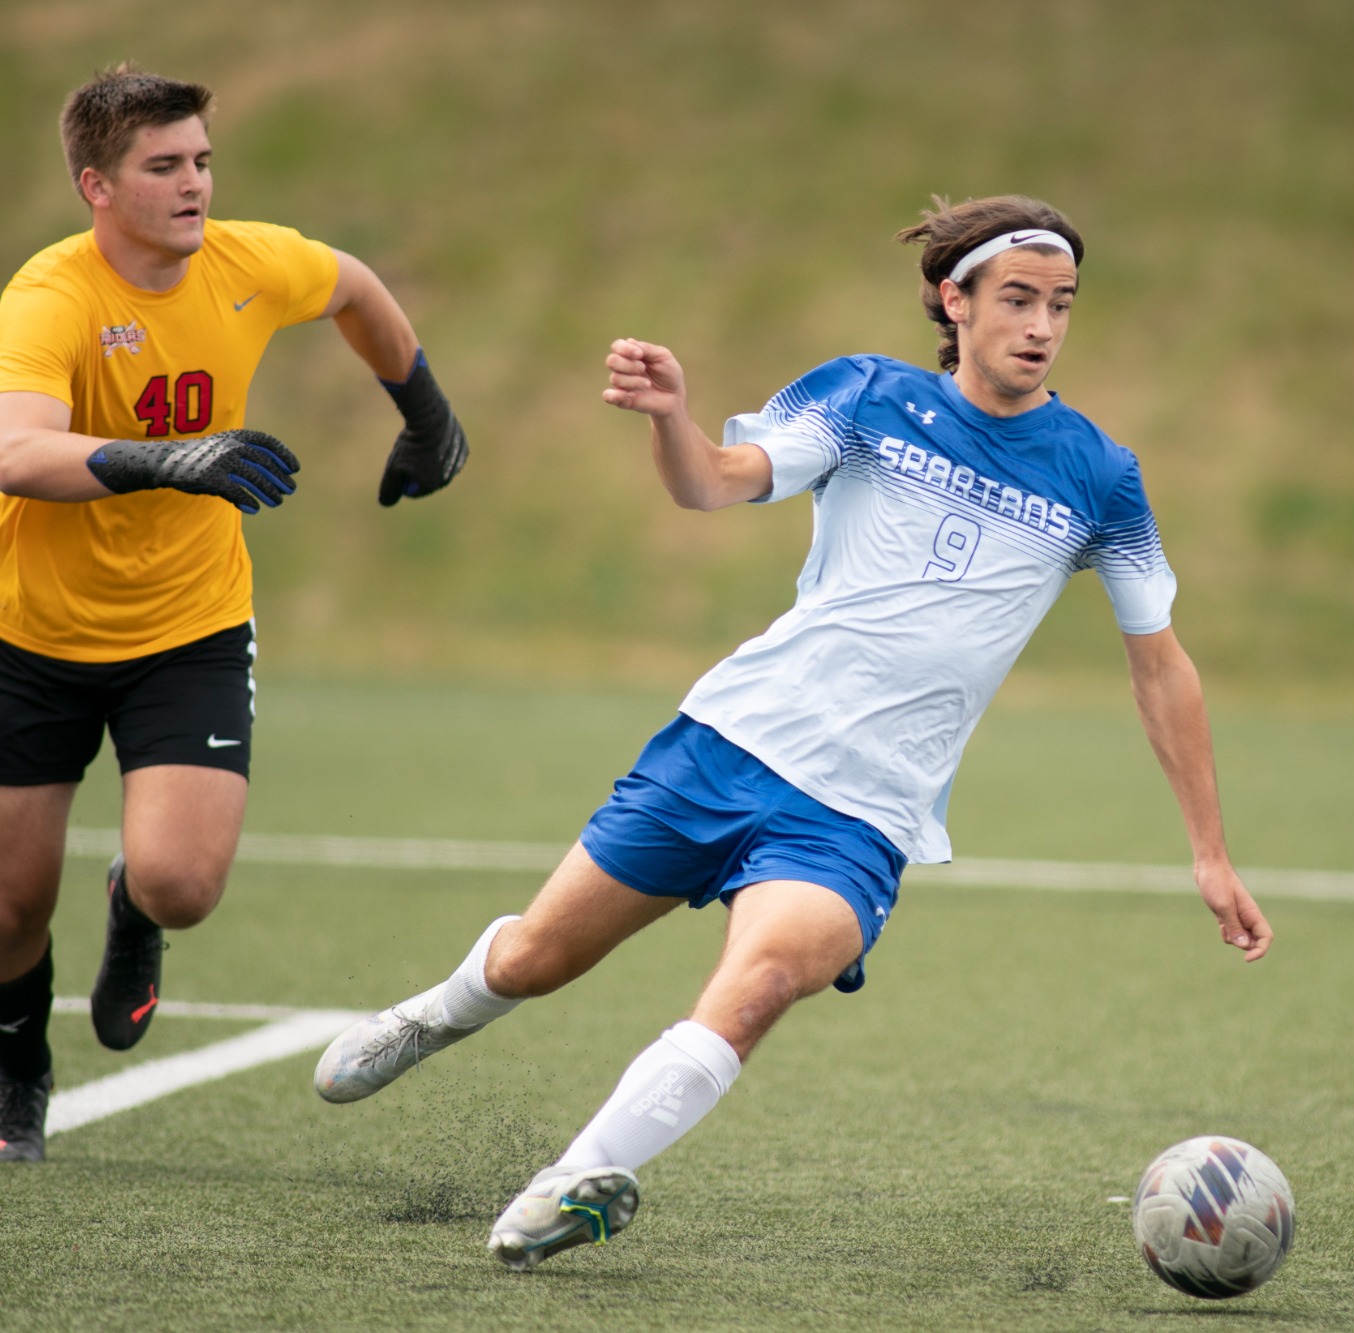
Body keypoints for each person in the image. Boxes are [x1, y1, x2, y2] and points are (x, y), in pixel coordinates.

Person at [314, 194, 1272, 1270]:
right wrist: (672, 417)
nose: (1040, 324)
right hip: (729, 740)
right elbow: (713, 485)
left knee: (764, 979)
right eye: (1015, 298)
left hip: (864, 810)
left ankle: (574, 1179)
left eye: (1060, 304)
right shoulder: (864, 393)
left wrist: (1208, 851)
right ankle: (434, 1015)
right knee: (537, 958)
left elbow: (1159, 663)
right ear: (951, 300)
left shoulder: (1098, 474)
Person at [0, 64, 468, 1163]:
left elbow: (355, 288)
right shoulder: (52, 293)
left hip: (187, 626)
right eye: (163, 167)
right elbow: (18, 455)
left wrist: (423, 413)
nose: (194, 185)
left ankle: (132, 908)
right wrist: (169, 460)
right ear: (96, 186)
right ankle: (18, 1080)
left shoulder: (248, 262)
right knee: (4, 916)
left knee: (181, 884)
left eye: (201, 161)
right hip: (30, 634)